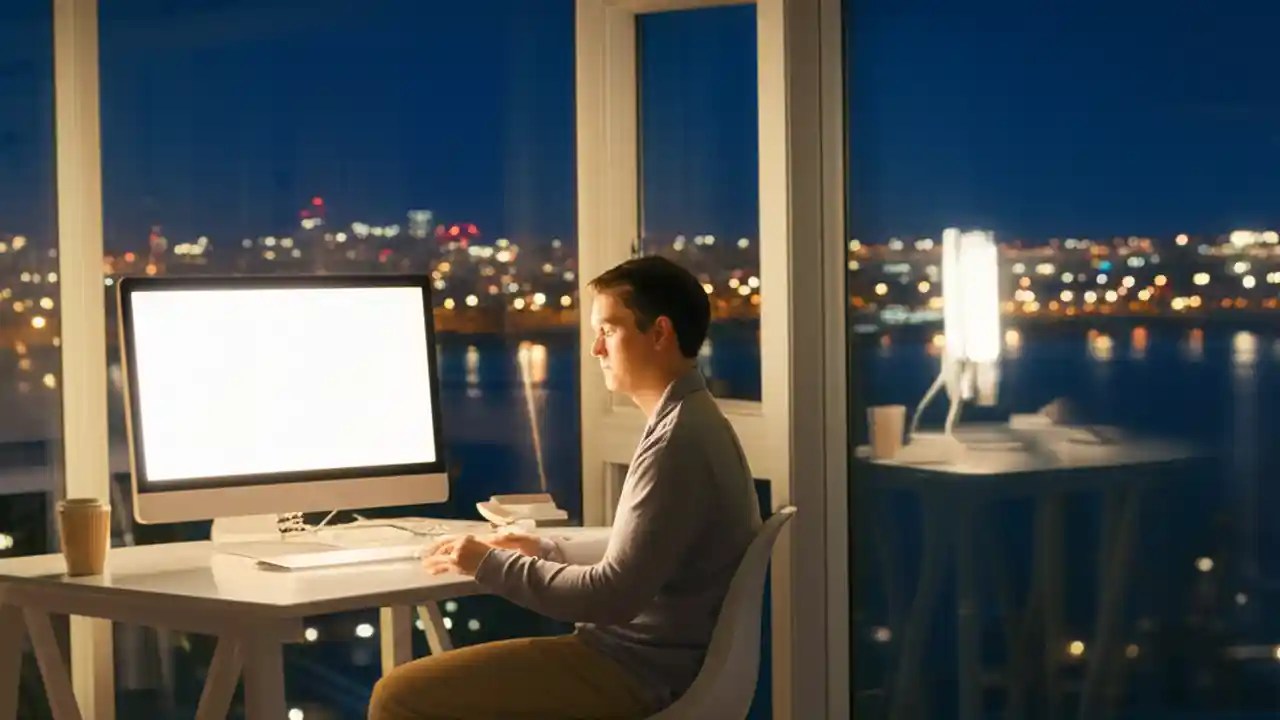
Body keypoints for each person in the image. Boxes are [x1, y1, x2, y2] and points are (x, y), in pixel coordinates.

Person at [368, 255, 762, 720]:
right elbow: (643, 555)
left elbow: (610, 596)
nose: (596, 349)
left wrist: (488, 563)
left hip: (636, 669)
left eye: (609, 331)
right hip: (658, 659)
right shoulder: (693, 420)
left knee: (399, 695)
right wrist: (545, 548)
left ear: (659, 334)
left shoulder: (677, 442)